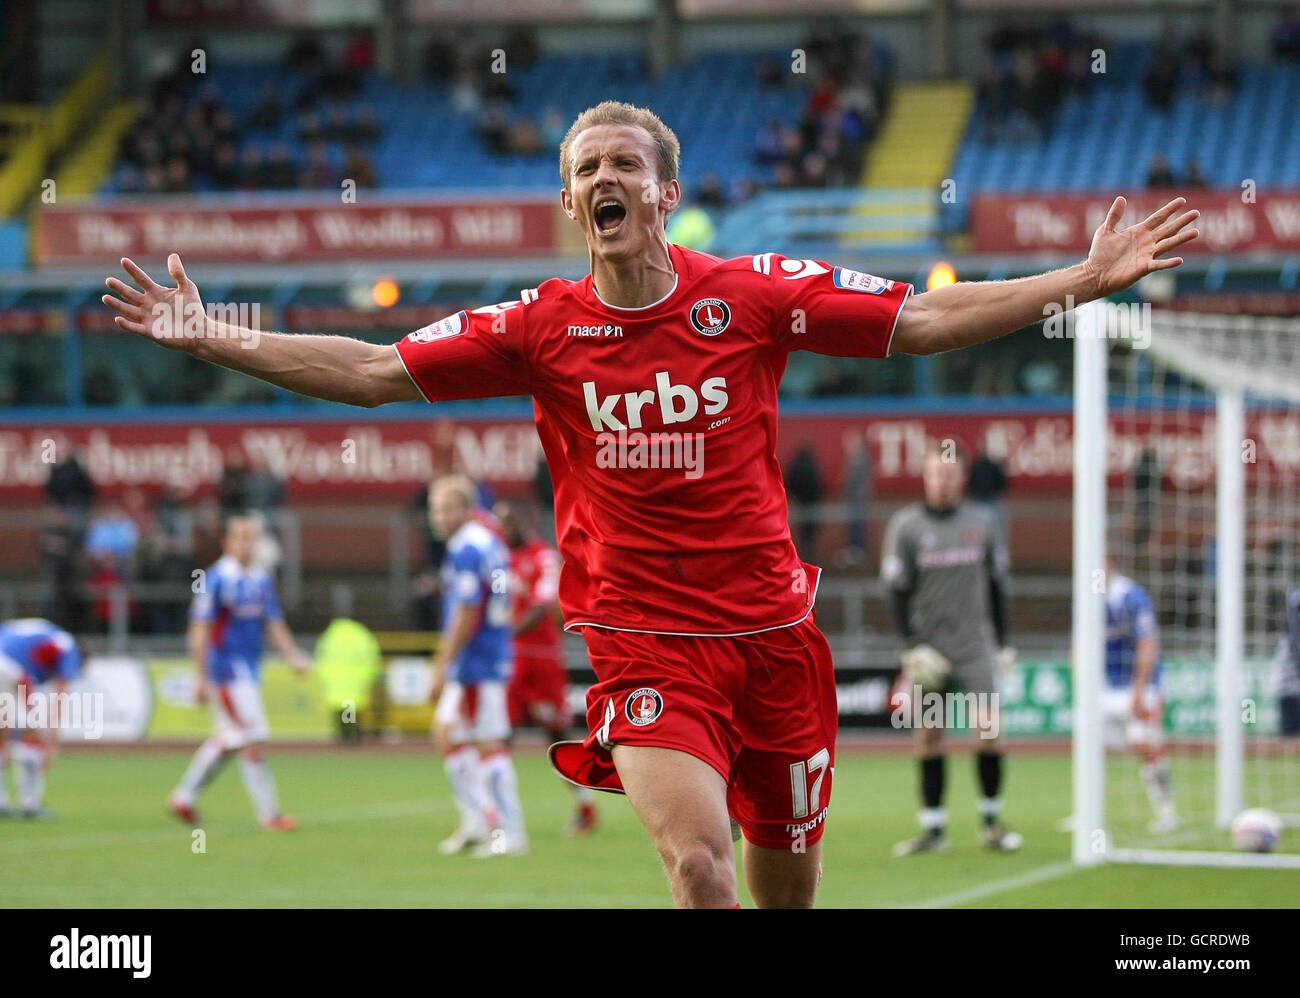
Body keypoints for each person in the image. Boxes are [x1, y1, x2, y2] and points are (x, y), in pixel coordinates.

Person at [103, 99, 1199, 908]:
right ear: (570, 199)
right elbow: (375, 367)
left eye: (624, 161)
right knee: (696, 864)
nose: (603, 177)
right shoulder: (539, 324)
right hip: (640, 644)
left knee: (782, 889)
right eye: (585, 167)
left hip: (772, 637)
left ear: (665, 191)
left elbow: (920, 321)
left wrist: (1076, 280)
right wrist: (215, 335)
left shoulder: (755, 293)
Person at [883, 446, 1021, 855]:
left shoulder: (982, 522)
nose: (941, 482)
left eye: (949, 474)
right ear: (925, 478)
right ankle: (933, 830)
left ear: (962, 479)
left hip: (975, 648)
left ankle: (992, 823)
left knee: (989, 731)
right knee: (927, 737)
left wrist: (1004, 643)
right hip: (930, 653)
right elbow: (895, 590)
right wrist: (909, 647)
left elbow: (997, 585)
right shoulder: (906, 526)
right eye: (934, 474)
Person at [168, 515, 309, 830]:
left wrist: (291, 655)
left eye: (252, 538)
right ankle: (269, 814)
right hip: (226, 671)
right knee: (254, 736)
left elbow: (273, 621)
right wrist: (201, 677)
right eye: (241, 538)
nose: (247, 544)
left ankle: (184, 797)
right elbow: (199, 631)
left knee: (234, 738)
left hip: (248, 671)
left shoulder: (260, 578)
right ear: (227, 543)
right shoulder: (215, 578)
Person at [427, 476, 528, 858]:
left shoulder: (468, 548)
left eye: (446, 508)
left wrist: (442, 663)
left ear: (466, 509)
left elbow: (468, 610)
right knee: (445, 733)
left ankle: (509, 834)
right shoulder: (488, 542)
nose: (438, 516)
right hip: (487, 653)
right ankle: (477, 820)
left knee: (488, 745)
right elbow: (505, 594)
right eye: (434, 508)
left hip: (476, 660)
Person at [495, 500, 598, 835]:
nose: (505, 530)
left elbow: (544, 606)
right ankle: (498, 814)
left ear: (522, 522)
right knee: (499, 734)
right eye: (500, 524)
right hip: (509, 662)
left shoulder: (543, 557)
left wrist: (503, 632)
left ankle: (585, 806)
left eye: (509, 522)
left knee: (554, 734)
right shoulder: (498, 560)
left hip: (540, 658)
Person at [1102, 557, 1179, 832]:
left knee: (1143, 743)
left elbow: (1147, 644)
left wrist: (1139, 690)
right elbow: (1078, 648)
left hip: (1140, 685)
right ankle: (1088, 812)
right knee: (1090, 746)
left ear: (1109, 565)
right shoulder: (1084, 598)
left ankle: (1166, 810)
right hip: (1105, 687)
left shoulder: (1131, 596)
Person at [0, 618, 83, 819]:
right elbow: (61, 691)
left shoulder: (43, 630)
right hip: (12, 670)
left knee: (2, 735)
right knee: (33, 734)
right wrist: (50, 739)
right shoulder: (70, 648)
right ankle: (30, 804)